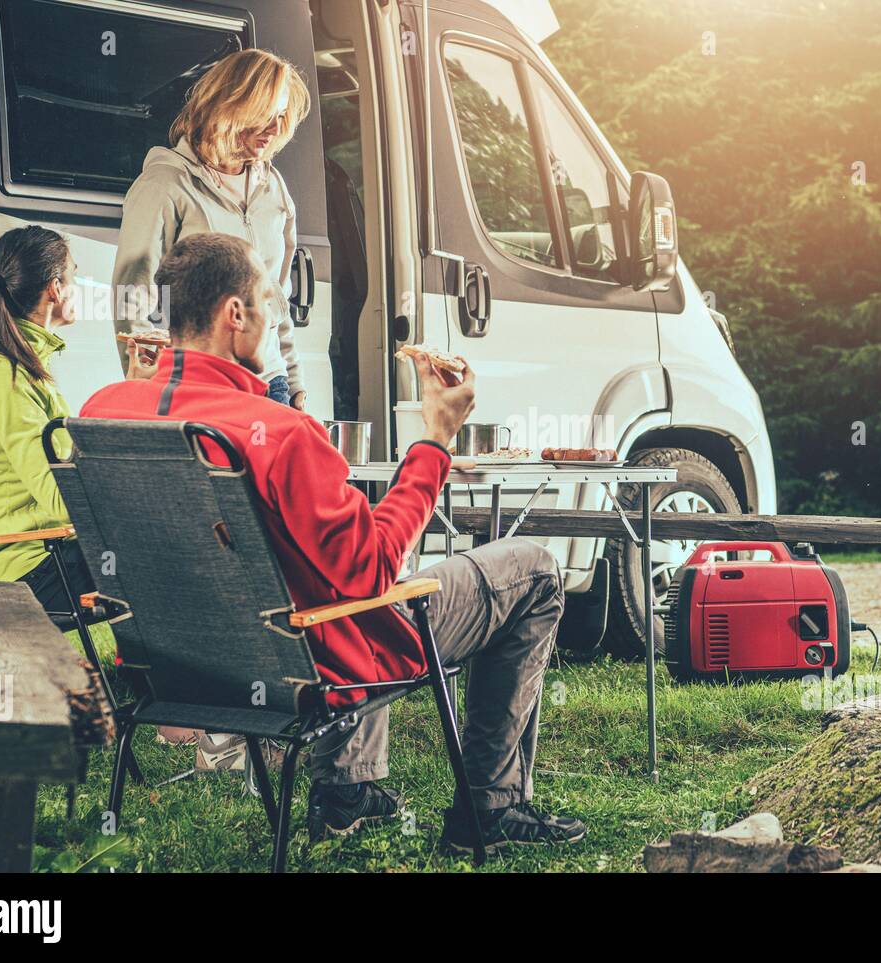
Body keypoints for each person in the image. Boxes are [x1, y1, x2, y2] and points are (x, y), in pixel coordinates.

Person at [82, 232, 586, 854]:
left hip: (176, 671)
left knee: (320, 570)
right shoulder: (282, 433)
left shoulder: (102, 411)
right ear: (233, 315)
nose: (272, 323)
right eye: (267, 303)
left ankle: (351, 789)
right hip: (316, 664)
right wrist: (434, 443)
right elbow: (372, 572)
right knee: (533, 568)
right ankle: (492, 806)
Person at [0, 226, 150, 609]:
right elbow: (65, 499)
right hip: (29, 571)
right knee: (167, 553)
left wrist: (131, 390)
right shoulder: (8, 377)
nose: (79, 286)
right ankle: (147, 667)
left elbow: (65, 461)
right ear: (55, 288)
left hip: (51, 552)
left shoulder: (23, 364)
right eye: (74, 275)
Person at [113, 48, 310, 409]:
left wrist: (293, 381)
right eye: (266, 115)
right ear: (231, 104)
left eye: (282, 116)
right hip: (197, 384)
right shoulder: (164, 184)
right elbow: (132, 292)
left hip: (270, 383)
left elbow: (275, 296)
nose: (275, 129)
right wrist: (147, 385)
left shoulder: (273, 187)